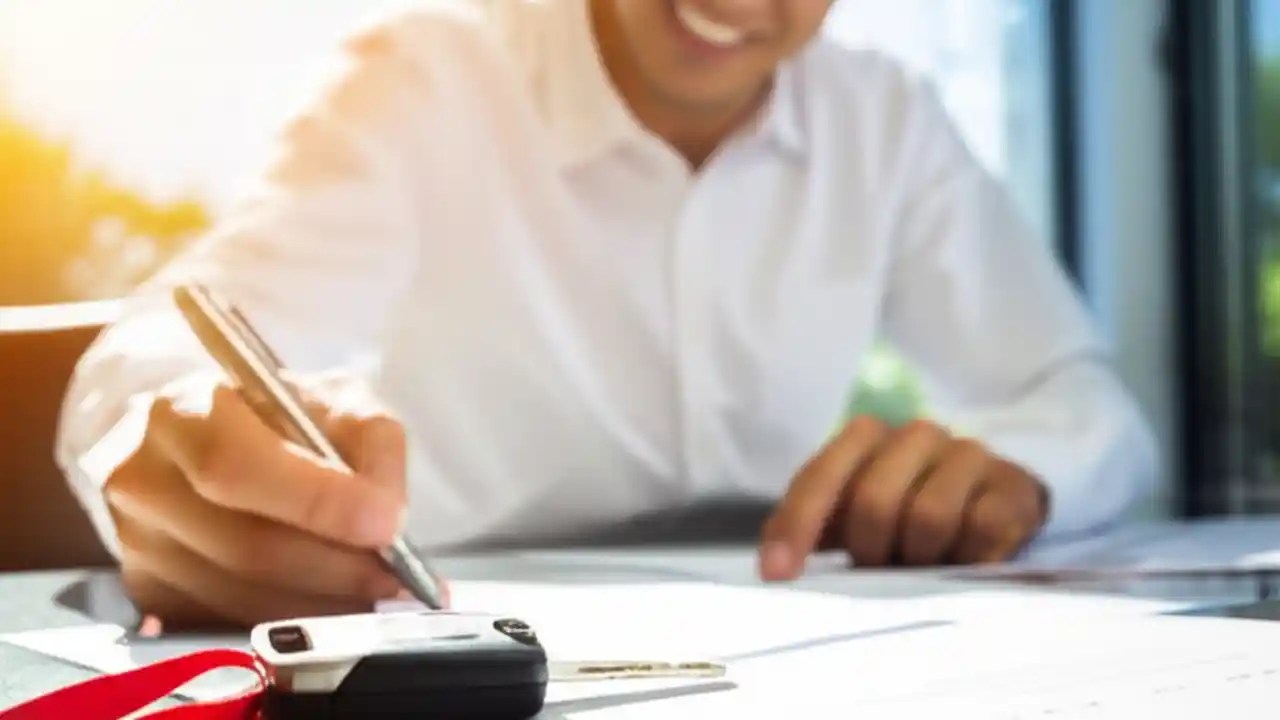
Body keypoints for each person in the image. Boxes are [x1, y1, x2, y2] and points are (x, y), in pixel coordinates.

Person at [56, 0, 1156, 627]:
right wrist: (164, 444)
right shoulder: (423, 80)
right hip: (468, 632)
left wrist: (1019, 470)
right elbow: (167, 344)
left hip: (801, 644)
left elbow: (1078, 398)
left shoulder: (887, 123)